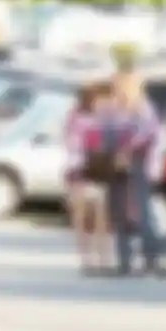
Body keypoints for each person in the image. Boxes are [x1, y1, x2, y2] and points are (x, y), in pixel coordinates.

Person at [106, 71, 166, 278]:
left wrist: (127, 150)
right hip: (116, 167)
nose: (119, 91)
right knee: (119, 211)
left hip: (139, 165)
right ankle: (124, 259)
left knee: (143, 212)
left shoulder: (144, 109)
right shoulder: (114, 110)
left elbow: (149, 135)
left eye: (123, 87)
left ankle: (151, 257)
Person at [64, 82, 112, 274]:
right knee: (82, 216)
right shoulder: (75, 117)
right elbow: (71, 142)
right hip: (80, 169)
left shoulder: (104, 118)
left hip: (98, 170)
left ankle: (103, 258)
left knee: (101, 217)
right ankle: (86, 258)